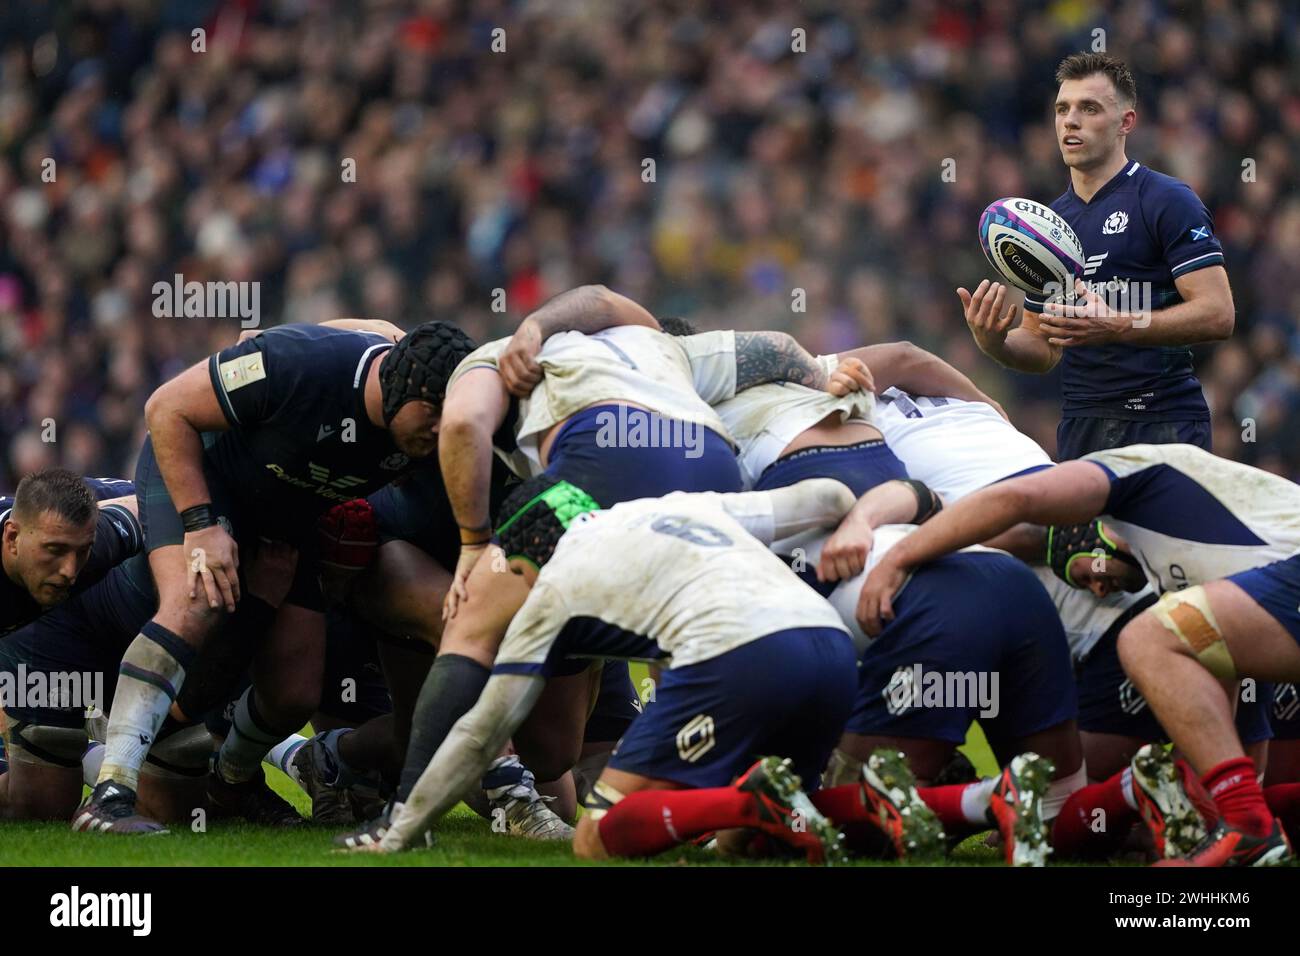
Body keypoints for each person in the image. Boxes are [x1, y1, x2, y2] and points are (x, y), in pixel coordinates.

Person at [349, 474, 862, 864]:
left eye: (517, 571)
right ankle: (903, 802)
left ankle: (752, 804)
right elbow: (831, 497)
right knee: (745, 844)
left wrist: (402, 830)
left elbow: (482, 734)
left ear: (530, 553)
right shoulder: (678, 506)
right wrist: (860, 522)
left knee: (597, 838)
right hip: (830, 648)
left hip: (739, 654)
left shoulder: (553, 585)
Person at [858, 444, 1300, 865]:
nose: (1099, 574)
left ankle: (1244, 828)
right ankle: (1235, 826)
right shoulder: (1211, 588)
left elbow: (1017, 497)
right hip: (1278, 595)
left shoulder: (1132, 465)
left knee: (1147, 637)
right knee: (1220, 785)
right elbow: (1240, 752)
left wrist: (898, 558)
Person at [962, 52, 1233, 461]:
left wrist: (1120, 324)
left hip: (1164, 422)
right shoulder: (1049, 226)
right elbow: (1042, 345)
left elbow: (1218, 314)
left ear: (1126, 122)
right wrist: (996, 342)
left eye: (1089, 108)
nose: (1071, 120)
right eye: (1062, 109)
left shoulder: (1167, 200)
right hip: (1083, 427)